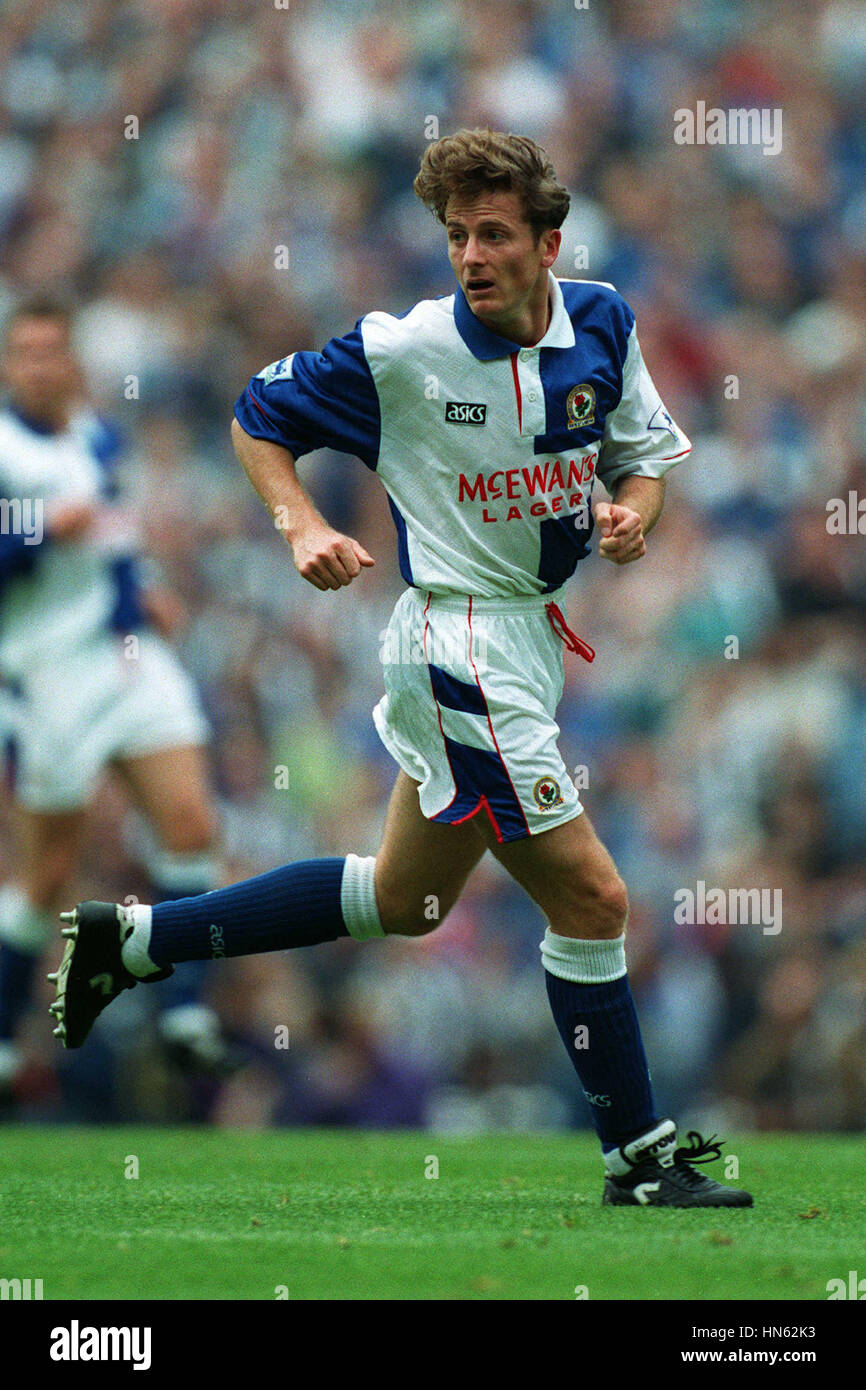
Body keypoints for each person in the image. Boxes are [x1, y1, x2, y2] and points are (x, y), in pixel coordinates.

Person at [52, 129, 751, 1207]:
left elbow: (642, 455)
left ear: (547, 242)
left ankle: (137, 940)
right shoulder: (404, 352)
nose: (469, 255)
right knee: (595, 898)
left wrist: (629, 519)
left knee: (405, 899)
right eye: (455, 235)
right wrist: (296, 527)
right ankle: (638, 1156)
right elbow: (255, 413)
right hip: (457, 644)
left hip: (527, 636)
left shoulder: (602, 319)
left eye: (492, 234)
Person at [0, 296, 232, 1109]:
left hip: (125, 655)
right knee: (46, 875)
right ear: (7, 365)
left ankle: (183, 1013)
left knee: (193, 827)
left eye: (51, 351)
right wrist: (31, 530)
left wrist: (148, 592)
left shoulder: (96, 433)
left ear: (72, 362)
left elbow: (111, 536)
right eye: (24, 352)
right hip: (45, 671)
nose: (39, 366)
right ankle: (2, 1037)